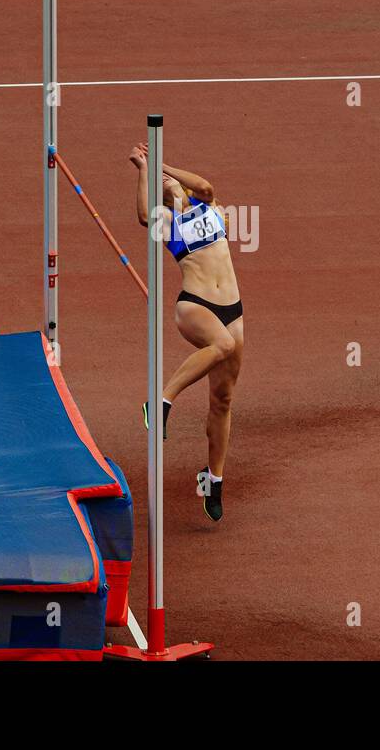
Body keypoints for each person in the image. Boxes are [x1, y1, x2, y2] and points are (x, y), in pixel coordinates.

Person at [130, 141, 242, 521]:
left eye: (172, 183)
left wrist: (168, 166)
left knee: (223, 399)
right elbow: (144, 216)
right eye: (164, 186)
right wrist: (146, 171)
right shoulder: (170, 226)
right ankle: (160, 401)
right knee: (222, 345)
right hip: (195, 306)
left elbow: (207, 186)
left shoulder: (210, 207)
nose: (170, 186)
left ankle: (214, 479)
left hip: (233, 309)